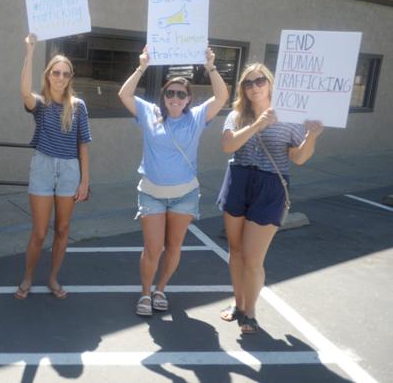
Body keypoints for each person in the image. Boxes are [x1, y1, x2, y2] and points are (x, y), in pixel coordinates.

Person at [118, 46, 228, 316]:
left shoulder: (197, 118)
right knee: (153, 248)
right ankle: (145, 292)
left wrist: (211, 66)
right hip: (152, 193)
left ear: (189, 98)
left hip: (185, 195)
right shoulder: (149, 113)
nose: (175, 98)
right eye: (170, 92)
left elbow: (222, 96)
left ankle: (161, 289)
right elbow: (124, 94)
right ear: (164, 96)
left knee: (174, 247)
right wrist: (142, 66)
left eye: (181, 94)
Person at [217, 63, 323, 334]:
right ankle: (238, 303)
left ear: (271, 83)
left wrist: (311, 135)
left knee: (253, 258)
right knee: (236, 251)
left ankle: (250, 312)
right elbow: (229, 146)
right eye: (248, 83)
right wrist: (259, 123)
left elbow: (298, 158)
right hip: (239, 180)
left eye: (260, 81)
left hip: (270, 185)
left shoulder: (290, 116)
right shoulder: (237, 115)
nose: (254, 87)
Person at [15, 34, 91, 300]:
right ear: (48, 75)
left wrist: (84, 180)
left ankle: (53, 278)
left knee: (63, 229)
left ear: (70, 77)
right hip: (43, 166)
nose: (60, 77)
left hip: (70, 169)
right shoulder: (41, 104)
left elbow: (83, 144)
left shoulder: (78, 106)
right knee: (39, 231)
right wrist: (30, 51)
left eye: (66, 74)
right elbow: (24, 91)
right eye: (56, 73)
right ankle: (27, 278)